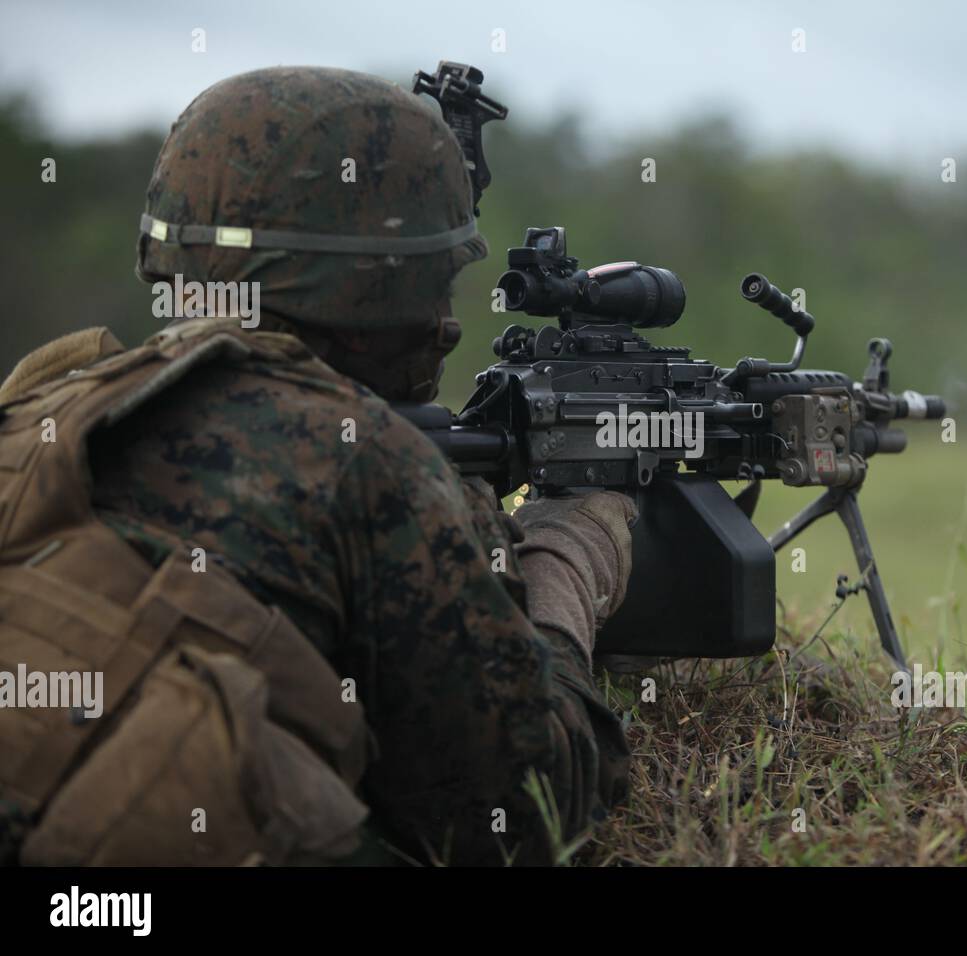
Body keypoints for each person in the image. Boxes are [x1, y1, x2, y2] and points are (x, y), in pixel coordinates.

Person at [0, 66, 633, 866]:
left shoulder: (43, 404)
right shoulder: (363, 464)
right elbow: (532, 811)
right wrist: (572, 556)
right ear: (388, 286)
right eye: (443, 275)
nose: (446, 317)